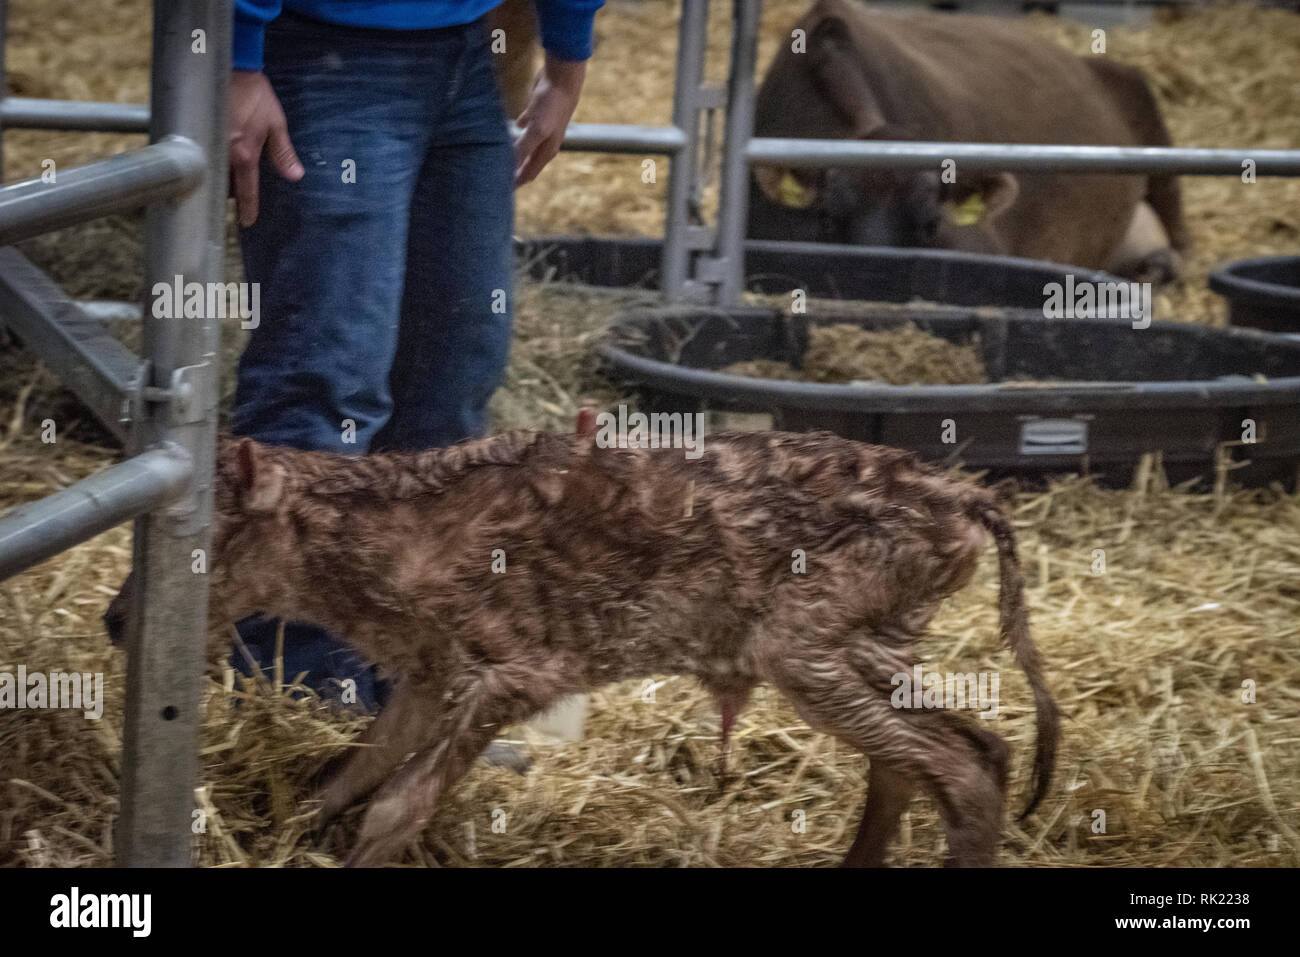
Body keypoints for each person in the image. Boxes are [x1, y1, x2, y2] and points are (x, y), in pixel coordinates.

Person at [226, 0, 603, 708]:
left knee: (453, 375)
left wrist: (567, 48)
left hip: (465, 48)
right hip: (322, 45)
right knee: (325, 376)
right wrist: (238, 51)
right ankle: (300, 699)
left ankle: (412, 696)